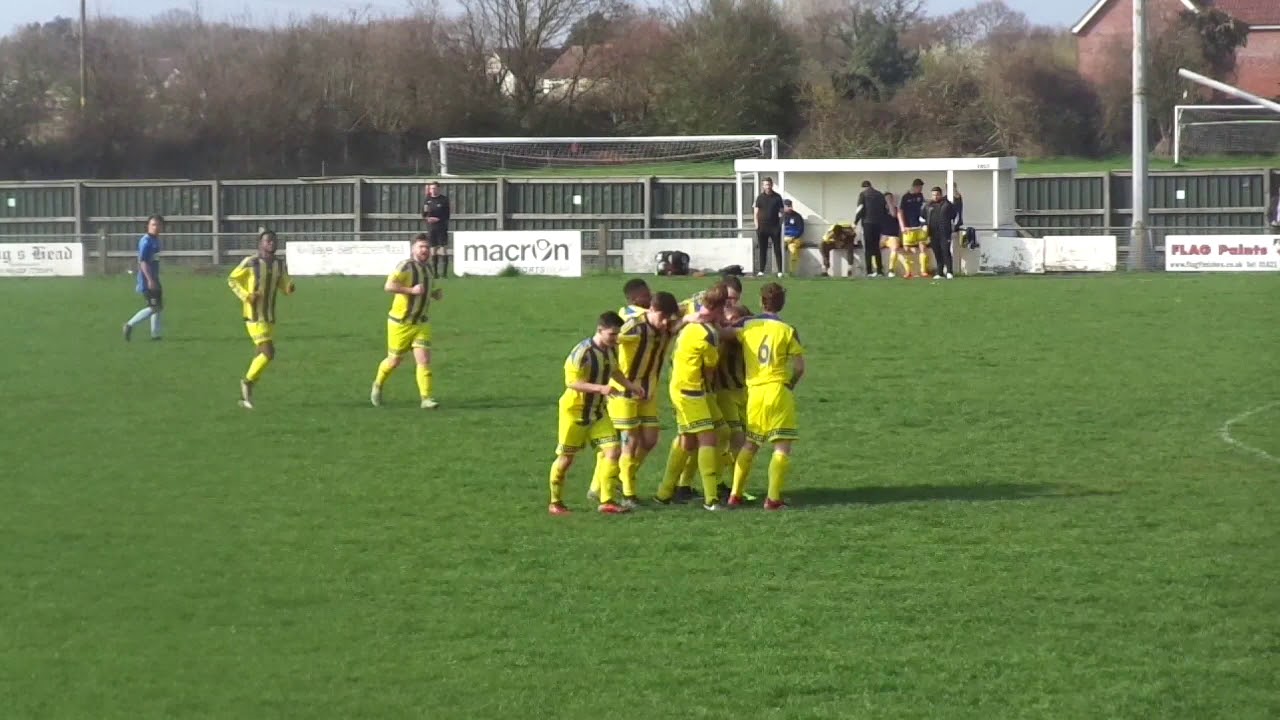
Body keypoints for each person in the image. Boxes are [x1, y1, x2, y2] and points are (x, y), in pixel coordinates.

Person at [548, 311, 646, 516]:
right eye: (612, 334)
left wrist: (630, 386)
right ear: (599, 330)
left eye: (618, 334)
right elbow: (571, 383)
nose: (616, 338)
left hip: (598, 412)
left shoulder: (611, 350)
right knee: (566, 459)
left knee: (613, 450)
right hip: (575, 412)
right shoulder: (581, 353)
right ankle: (555, 502)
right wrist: (601, 389)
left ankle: (607, 501)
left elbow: (614, 371)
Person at [601, 291, 681, 508]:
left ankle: (618, 478)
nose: (665, 324)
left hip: (649, 392)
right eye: (661, 318)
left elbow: (686, 311)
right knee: (630, 442)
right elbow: (609, 338)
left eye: (668, 319)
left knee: (650, 440)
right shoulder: (633, 328)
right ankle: (628, 494)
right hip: (624, 391)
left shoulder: (668, 327)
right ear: (652, 310)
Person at [729, 282, 805, 510]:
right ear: (782, 304)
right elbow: (800, 367)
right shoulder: (788, 330)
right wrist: (789, 384)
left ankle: (735, 494)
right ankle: (772, 499)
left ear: (761, 301)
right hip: (778, 390)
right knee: (781, 447)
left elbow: (724, 335)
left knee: (750, 444)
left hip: (755, 392)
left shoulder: (746, 325)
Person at [655, 283, 730, 510]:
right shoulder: (710, 334)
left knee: (689, 439)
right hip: (691, 391)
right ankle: (711, 498)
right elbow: (710, 368)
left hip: (682, 386)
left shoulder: (691, 321)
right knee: (708, 438)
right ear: (720, 307)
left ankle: (664, 493)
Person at [370, 234, 443, 409]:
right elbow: (389, 286)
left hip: (421, 323)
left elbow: (424, 290)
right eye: (420, 247)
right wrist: (410, 290)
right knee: (394, 361)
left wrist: (433, 294)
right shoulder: (405, 266)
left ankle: (426, 398)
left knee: (424, 360)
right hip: (400, 323)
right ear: (413, 249)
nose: (424, 250)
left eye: (426, 247)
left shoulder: (429, 269)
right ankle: (378, 384)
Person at [227, 230, 295, 409]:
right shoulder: (251, 262)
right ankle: (247, 382)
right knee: (268, 352)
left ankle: (247, 396)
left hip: (270, 315)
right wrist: (246, 295)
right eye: (268, 241)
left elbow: (281, 283)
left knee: (260, 354)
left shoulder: (279, 264)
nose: (272, 243)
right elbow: (232, 279)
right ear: (260, 243)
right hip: (254, 316)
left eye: (274, 241)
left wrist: (288, 287)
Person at [716, 302, 756, 501]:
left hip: (744, 392)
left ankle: (732, 486)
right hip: (725, 392)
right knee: (737, 439)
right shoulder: (721, 339)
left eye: (734, 321)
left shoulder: (747, 336)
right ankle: (729, 487)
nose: (729, 325)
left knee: (742, 441)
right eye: (726, 321)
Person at [122, 215, 165, 341]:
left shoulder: (155, 240)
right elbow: (143, 262)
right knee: (154, 307)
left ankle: (155, 335)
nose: (156, 227)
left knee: (158, 306)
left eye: (158, 225)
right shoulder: (146, 241)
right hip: (148, 280)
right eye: (153, 225)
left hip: (154, 277)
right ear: (148, 226)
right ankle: (129, 325)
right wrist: (150, 280)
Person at [924, 186, 959, 279]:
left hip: (944, 232)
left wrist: (954, 229)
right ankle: (939, 272)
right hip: (933, 233)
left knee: (945, 251)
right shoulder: (928, 206)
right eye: (933, 195)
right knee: (937, 252)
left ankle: (949, 272)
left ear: (941, 194)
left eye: (937, 195)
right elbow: (923, 218)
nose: (935, 197)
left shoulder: (947, 204)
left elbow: (954, 216)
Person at [753, 177, 785, 277]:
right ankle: (761, 271)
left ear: (772, 185)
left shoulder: (777, 197)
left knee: (777, 249)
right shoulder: (760, 197)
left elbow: (782, 212)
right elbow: (755, 213)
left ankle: (780, 271)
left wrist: (780, 224)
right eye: (765, 185)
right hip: (762, 227)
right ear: (763, 186)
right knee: (763, 249)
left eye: (769, 184)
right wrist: (757, 226)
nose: (767, 186)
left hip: (774, 227)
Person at [898, 178, 930, 278]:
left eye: (921, 187)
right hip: (908, 227)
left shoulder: (920, 196)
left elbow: (924, 210)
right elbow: (900, 212)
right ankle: (908, 271)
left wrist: (925, 224)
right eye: (919, 187)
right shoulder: (906, 197)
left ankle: (923, 270)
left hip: (919, 227)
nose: (920, 189)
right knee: (906, 249)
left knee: (922, 247)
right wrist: (902, 226)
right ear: (914, 187)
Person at [855, 180, 887, 277]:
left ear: (864, 187)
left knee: (868, 248)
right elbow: (885, 210)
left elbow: (860, 208)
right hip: (878, 224)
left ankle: (869, 271)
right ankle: (879, 271)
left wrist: (855, 221)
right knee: (876, 247)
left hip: (867, 223)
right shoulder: (880, 195)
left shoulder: (863, 194)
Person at [422, 181, 451, 277]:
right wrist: (428, 218)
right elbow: (424, 214)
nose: (433, 190)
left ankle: (444, 273)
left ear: (438, 189)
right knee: (433, 249)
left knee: (443, 248)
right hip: (431, 228)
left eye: (434, 188)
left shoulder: (444, 200)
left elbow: (447, 215)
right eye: (431, 188)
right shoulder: (427, 200)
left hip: (441, 227)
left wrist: (438, 219)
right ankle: (434, 273)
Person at [881, 192, 905, 277]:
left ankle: (891, 270)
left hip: (892, 236)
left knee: (894, 249)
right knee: (873, 249)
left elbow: (893, 214)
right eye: (886, 199)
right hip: (882, 236)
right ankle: (878, 269)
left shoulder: (896, 209)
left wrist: (890, 203)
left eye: (890, 198)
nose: (888, 200)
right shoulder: (880, 210)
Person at [782, 199, 805, 274]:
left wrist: (793, 237)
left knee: (793, 250)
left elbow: (801, 230)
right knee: (777, 249)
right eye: (787, 206)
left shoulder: (797, 216)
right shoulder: (780, 216)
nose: (789, 208)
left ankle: (792, 272)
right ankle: (779, 271)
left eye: (790, 206)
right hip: (783, 238)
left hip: (795, 239)